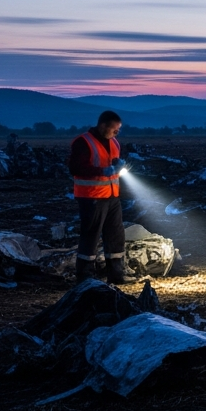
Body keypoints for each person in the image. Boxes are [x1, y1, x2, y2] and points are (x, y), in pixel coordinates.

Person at [69, 110, 129, 284]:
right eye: (114, 129)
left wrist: (117, 165)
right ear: (103, 125)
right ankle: (85, 276)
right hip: (91, 197)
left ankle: (116, 274)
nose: (116, 133)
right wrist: (102, 171)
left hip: (111, 196)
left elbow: (110, 162)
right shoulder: (83, 142)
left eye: (118, 130)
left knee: (116, 234)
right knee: (91, 235)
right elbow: (75, 168)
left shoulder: (114, 142)